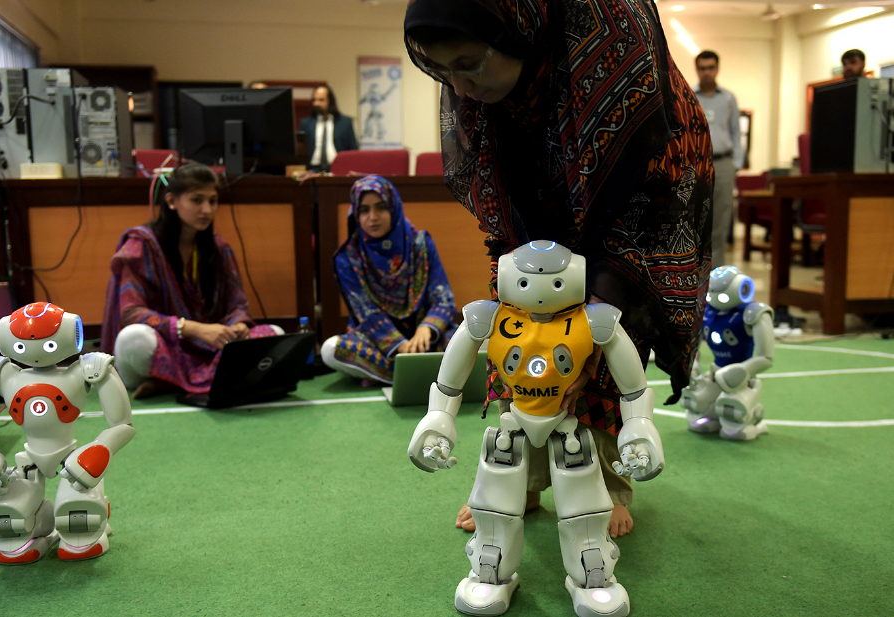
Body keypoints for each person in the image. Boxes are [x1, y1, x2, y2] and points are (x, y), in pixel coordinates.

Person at [404, 0, 713, 538]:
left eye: (470, 64)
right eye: (441, 69)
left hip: (643, 194)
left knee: (611, 333)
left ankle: (609, 480)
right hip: (546, 199)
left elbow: (638, 218)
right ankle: (516, 482)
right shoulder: (488, 96)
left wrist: (594, 324)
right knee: (525, 331)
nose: (458, 88)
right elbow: (501, 219)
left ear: (518, 33)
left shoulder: (613, 34)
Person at [101, 163, 281, 398]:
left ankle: (170, 382)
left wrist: (238, 325)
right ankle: (197, 377)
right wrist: (192, 329)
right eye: (197, 200)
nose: (206, 210)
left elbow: (237, 305)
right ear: (171, 201)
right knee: (133, 339)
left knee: (274, 334)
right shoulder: (142, 244)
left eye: (212, 201)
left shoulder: (218, 248)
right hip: (164, 346)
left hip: (211, 347)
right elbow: (131, 313)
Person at [321, 175, 458, 384]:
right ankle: (428, 376)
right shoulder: (348, 257)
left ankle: (395, 376)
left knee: (473, 341)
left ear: (394, 208)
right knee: (330, 349)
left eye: (381, 207)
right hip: (380, 341)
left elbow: (443, 299)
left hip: (425, 340)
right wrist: (401, 347)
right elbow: (368, 314)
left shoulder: (421, 244)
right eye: (364, 210)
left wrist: (426, 328)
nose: (372, 217)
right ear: (355, 214)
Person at [695, 50, 743, 266]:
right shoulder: (689, 95)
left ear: (717, 69)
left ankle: (717, 274)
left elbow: (736, 132)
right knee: (695, 218)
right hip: (696, 164)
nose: (707, 72)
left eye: (711, 67)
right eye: (703, 68)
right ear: (697, 69)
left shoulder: (728, 98)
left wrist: (735, 165)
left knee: (721, 220)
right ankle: (694, 273)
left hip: (723, 164)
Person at [299, 85, 358, 172]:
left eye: (321, 100)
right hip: (313, 170)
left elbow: (353, 149)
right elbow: (301, 151)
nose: (316, 104)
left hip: (338, 168)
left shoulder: (345, 122)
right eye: (314, 100)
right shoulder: (306, 123)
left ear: (330, 101)